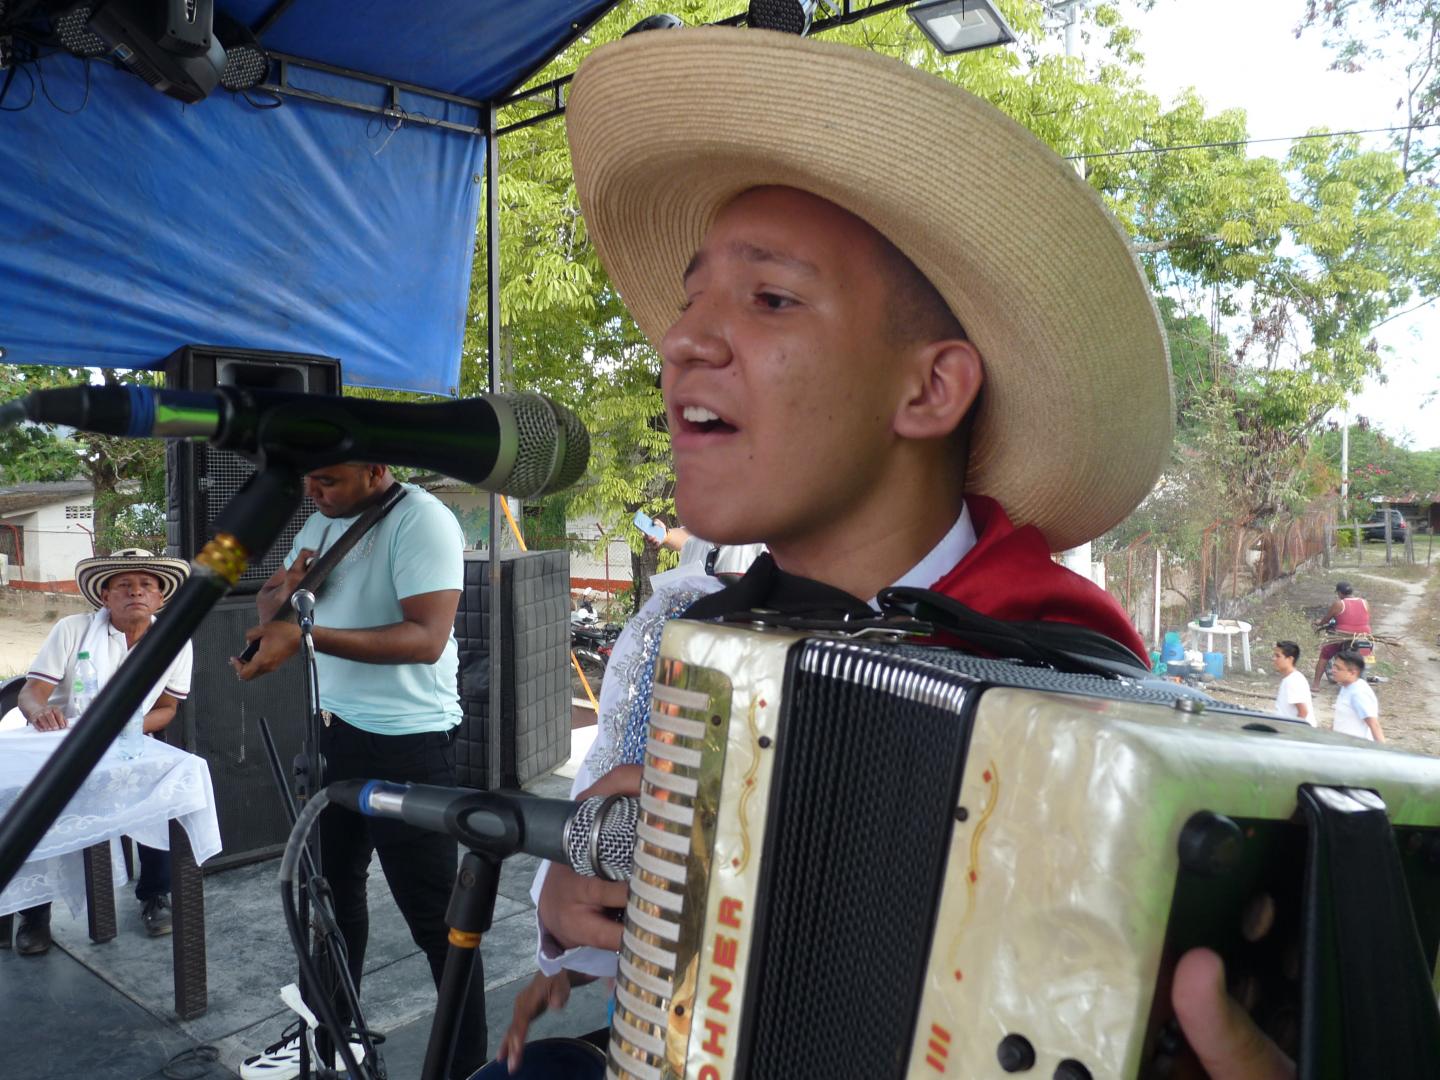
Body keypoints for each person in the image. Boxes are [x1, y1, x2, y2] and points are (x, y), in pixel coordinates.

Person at [499, 25, 1283, 1080]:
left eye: (769, 297)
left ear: (929, 390)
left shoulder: (1089, 704)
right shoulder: (681, 639)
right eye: (691, 299)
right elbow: (608, 863)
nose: (683, 339)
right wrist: (572, 900)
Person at [230, 463, 481, 1080]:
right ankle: (329, 1034)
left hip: (409, 745)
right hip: (334, 731)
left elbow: (426, 637)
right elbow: (289, 610)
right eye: (308, 481)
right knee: (331, 898)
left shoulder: (422, 520)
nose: (313, 493)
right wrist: (275, 610)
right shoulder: (322, 519)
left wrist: (306, 638)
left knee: (437, 920)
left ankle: (464, 1063)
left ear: (376, 469)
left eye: (329, 481)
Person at [12, 548, 192, 954]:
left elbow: (167, 709)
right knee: (38, 813)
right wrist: (41, 713)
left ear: (161, 598)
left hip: (128, 740)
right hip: (63, 740)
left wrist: (125, 728)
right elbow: (31, 692)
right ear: (105, 597)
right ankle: (35, 914)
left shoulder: (175, 639)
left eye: (147, 585)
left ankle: (155, 895)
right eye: (124, 585)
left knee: (163, 792)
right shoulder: (72, 630)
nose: (136, 592)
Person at [1312, 580, 1371, 690]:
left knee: (1324, 655)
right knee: (1366, 656)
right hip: (1363, 636)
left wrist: (1318, 623)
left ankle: (1316, 685)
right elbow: (1366, 617)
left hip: (1343, 636)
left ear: (1339, 593)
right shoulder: (1364, 602)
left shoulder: (1339, 603)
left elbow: (1326, 619)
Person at [1330, 648, 1385, 743]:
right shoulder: (1346, 686)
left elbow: (1374, 725)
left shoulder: (1359, 693)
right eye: (1334, 666)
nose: (1333, 670)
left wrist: (1384, 753)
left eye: (1338, 668)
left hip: (1355, 749)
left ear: (1352, 673)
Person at [1270, 641, 1313, 725]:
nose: (1274, 659)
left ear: (1290, 659)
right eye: (1274, 655)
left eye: (1278, 656)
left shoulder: (1293, 680)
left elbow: (1303, 712)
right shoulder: (1288, 679)